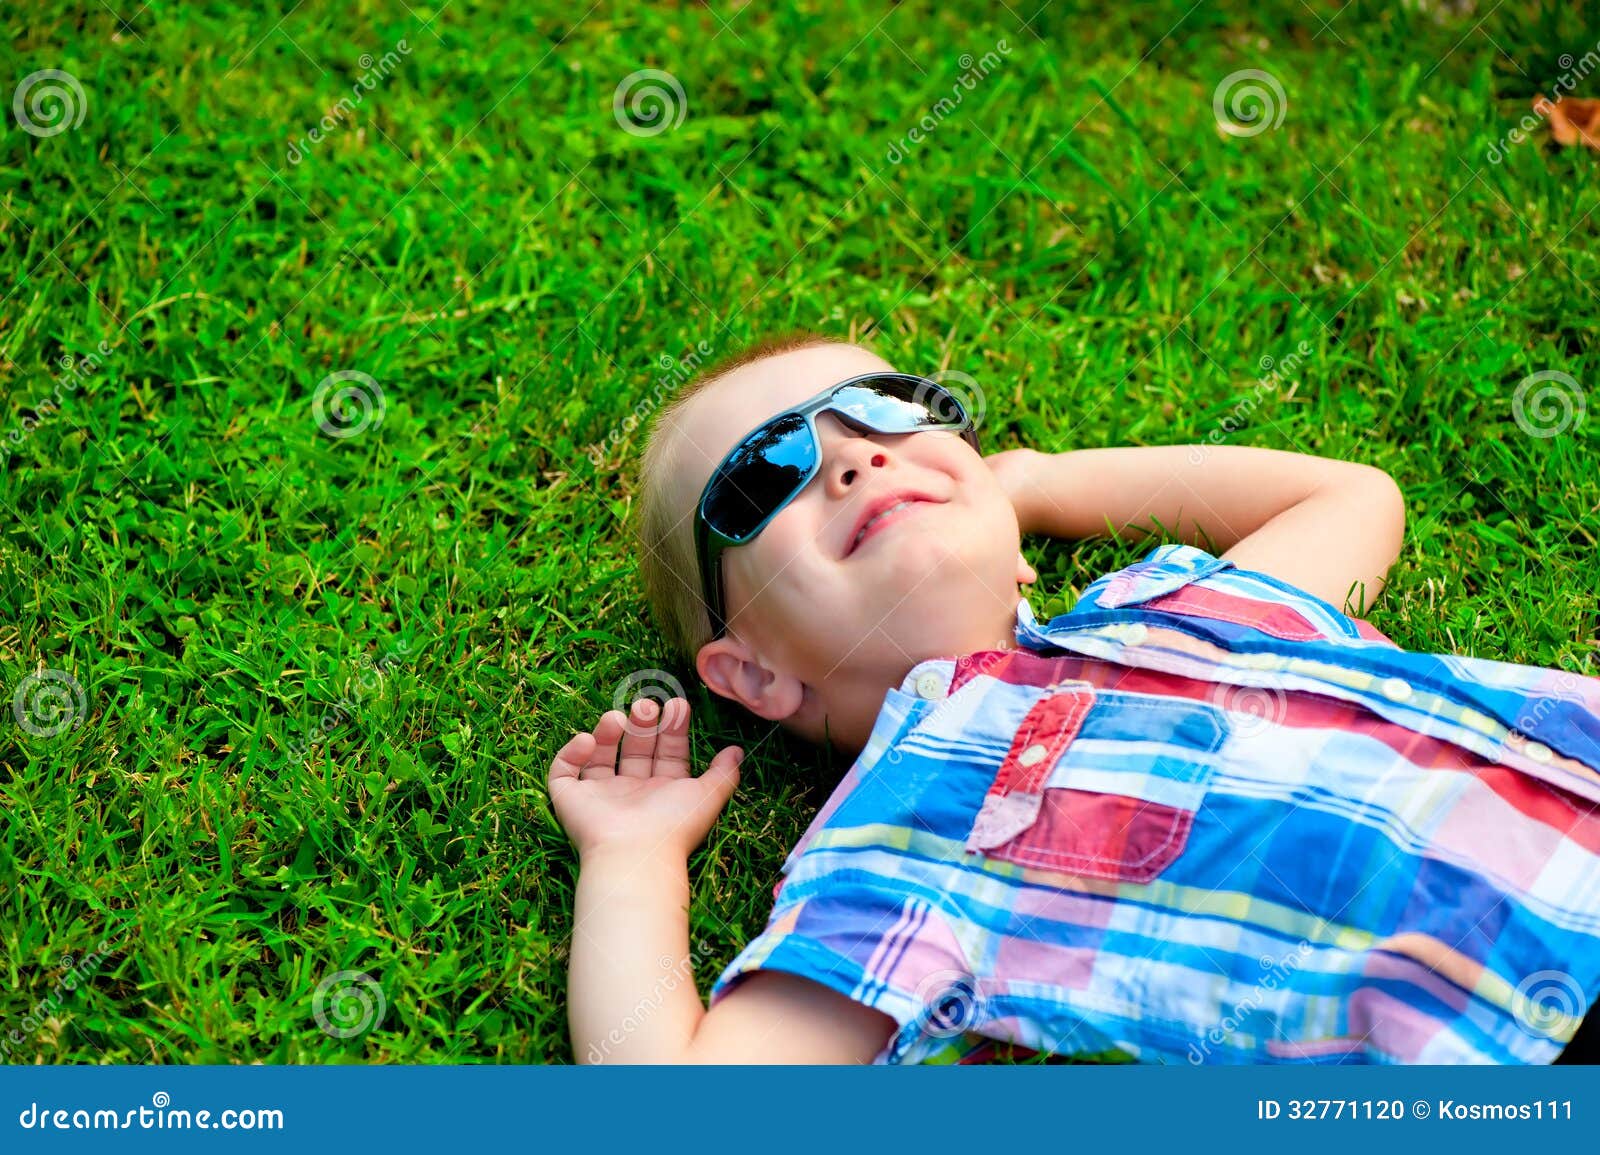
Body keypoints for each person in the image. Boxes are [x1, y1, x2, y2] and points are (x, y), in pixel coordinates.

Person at [548, 333, 1600, 1064]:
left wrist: (1040, 481)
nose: (859, 452)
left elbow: (1346, 495)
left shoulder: (1178, 600)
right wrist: (631, 857)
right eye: (763, 471)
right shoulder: (898, 848)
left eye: (888, 406)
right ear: (754, 673)